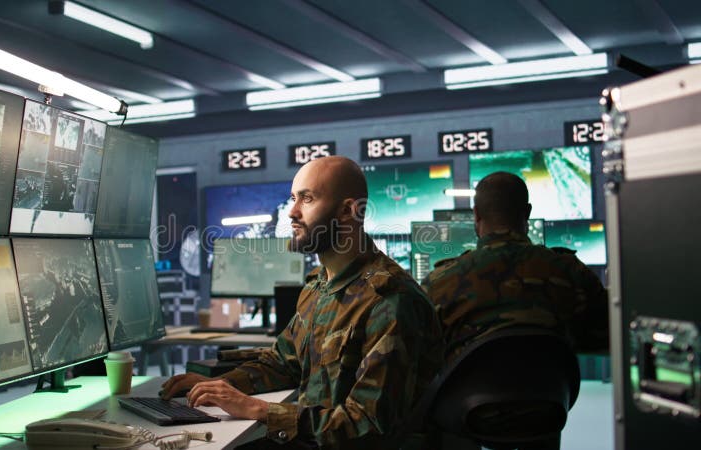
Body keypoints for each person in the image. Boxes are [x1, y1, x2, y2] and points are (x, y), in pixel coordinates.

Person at [161, 156, 442, 449]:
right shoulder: (319, 286)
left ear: (347, 211)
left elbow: (369, 424)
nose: (292, 213)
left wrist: (260, 410)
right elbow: (284, 363)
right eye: (293, 198)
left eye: (307, 199)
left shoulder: (390, 301)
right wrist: (224, 387)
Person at [422, 171, 608, 363]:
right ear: (527, 213)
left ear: (476, 215)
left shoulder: (440, 283)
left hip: (464, 392)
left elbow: (419, 352)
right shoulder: (572, 272)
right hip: (550, 391)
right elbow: (608, 333)